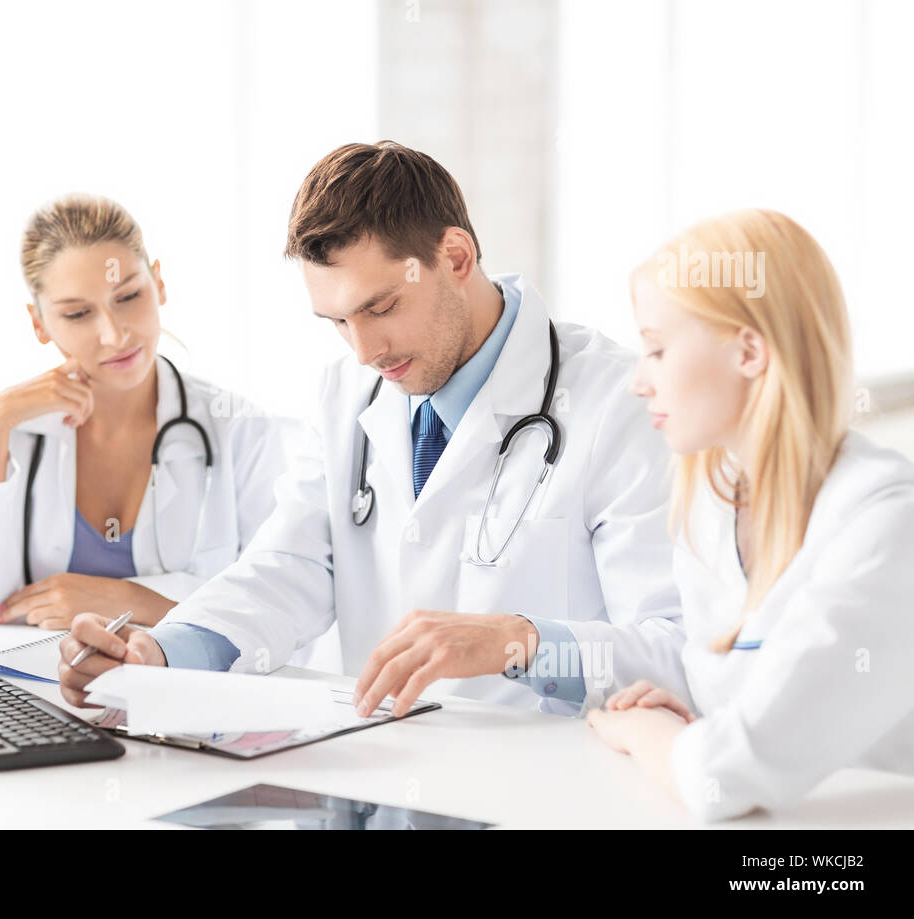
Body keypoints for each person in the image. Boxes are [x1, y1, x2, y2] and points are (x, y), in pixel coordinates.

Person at [56, 140, 688, 717]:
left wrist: (518, 642)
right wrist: (161, 653)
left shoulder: (619, 402)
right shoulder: (347, 393)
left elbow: (675, 650)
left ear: (456, 256)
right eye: (336, 321)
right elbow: (288, 567)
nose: (364, 351)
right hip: (380, 776)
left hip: (541, 790)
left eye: (380, 307)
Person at [587, 209, 914, 821]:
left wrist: (643, 734)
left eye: (656, 349)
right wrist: (690, 714)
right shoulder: (712, 500)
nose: (638, 381)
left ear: (749, 352)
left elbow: (721, 778)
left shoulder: (884, 520)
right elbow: (747, 706)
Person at [0, 194, 290, 631]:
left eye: (128, 296)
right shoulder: (15, 431)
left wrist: (126, 599)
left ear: (158, 283)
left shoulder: (241, 431)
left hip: (191, 691)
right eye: (78, 313)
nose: (114, 334)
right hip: (41, 690)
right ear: (39, 323)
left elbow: (277, 613)